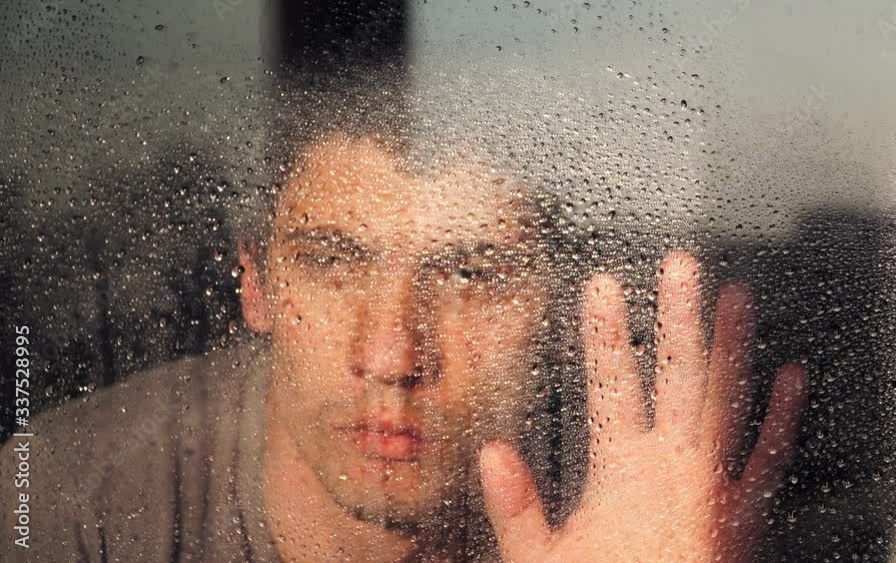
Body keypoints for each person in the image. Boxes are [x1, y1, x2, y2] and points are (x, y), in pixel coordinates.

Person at [1, 121, 807, 561]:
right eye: (333, 262)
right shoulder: (63, 502)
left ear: (559, 316)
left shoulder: (640, 511)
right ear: (256, 282)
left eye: (470, 274)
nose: (391, 356)